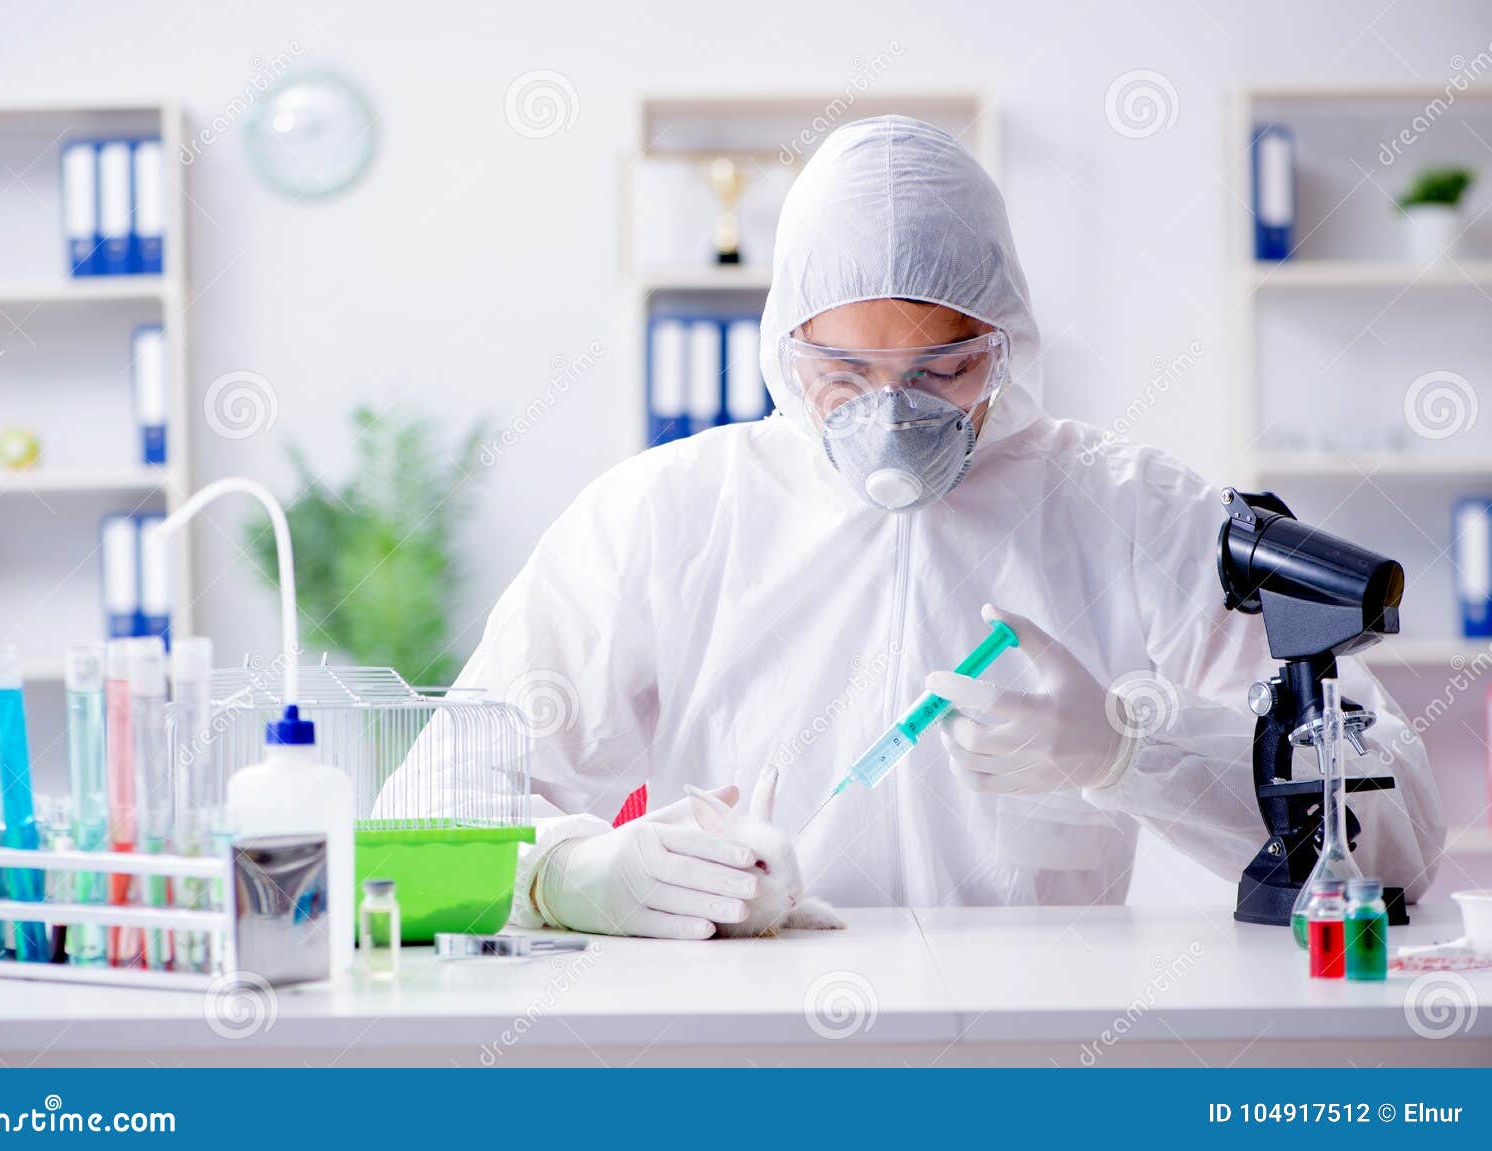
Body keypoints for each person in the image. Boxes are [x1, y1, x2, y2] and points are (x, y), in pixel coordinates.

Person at [415, 115, 1445, 939]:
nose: (890, 412)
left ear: (1005, 344)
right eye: (843, 373)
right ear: (783, 350)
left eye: (939, 369)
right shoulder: (667, 516)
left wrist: (1137, 744)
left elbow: (1398, 837)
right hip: (739, 1042)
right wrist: (570, 874)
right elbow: (430, 813)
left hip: (1035, 1058)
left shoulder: (1132, 510)